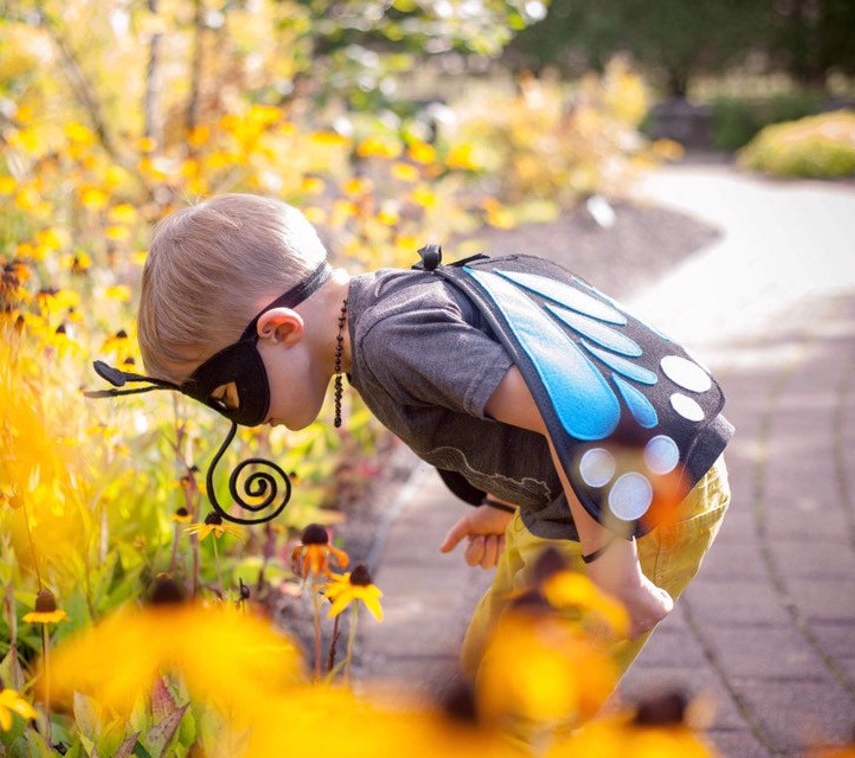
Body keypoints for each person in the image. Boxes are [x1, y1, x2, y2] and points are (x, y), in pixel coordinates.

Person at [134, 192, 732, 680]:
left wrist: (616, 572)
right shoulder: (380, 311)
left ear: (279, 330)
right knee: (482, 674)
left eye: (230, 396)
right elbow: (532, 384)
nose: (242, 420)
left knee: (519, 711)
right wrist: (501, 502)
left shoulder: (391, 342)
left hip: (642, 499)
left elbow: (589, 414)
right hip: (573, 502)